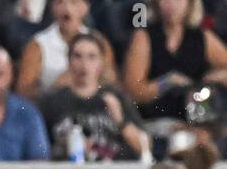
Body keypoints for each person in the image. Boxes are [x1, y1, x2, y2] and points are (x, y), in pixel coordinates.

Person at [123, 0, 227, 121]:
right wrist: (167, 82)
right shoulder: (144, 37)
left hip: (196, 116)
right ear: (156, 2)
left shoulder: (202, 37)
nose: (171, 4)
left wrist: (212, 77)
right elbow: (132, 92)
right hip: (157, 117)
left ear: (190, 1)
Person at [40, 33, 147, 161]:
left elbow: (144, 147)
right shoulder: (52, 102)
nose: (84, 64)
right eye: (77, 56)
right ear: (69, 61)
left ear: (101, 62)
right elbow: (40, 151)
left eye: (92, 57)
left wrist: (120, 121)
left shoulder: (116, 98)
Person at [16, 0, 116, 101]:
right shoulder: (38, 45)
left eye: (73, 2)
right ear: (52, 7)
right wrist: (57, 87)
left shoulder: (99, 42)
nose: (66, 8)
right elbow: (23, 94)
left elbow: (113, 84)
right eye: (59, 1)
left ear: (85, 7)